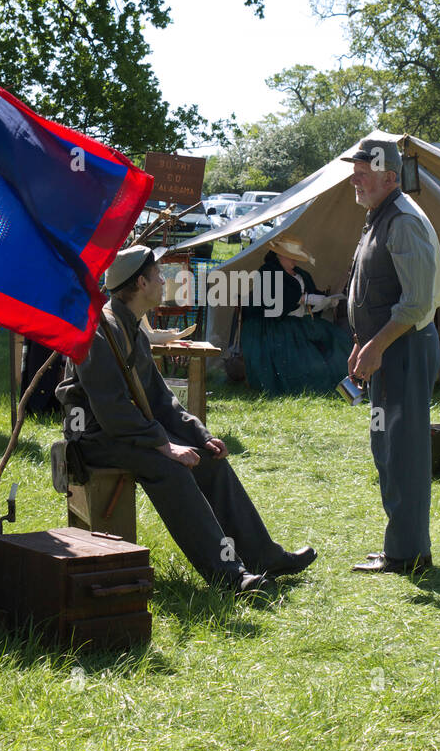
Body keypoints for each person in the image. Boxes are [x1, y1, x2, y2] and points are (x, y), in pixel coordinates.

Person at [56, 245, 316, 595]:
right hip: (92, 440)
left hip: (121, 431)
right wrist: (166, 446)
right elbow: (112, 411)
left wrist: (198, 435)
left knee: (208, 460)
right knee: (172, 469)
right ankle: (230, 576)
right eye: (158, 275)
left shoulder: (130, 327)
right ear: (141, 283)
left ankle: (262, 555)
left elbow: (160, 400)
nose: (164, 281)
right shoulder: (101, 330)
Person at [345, 138, 440, 574]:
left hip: (403, 349)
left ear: (390, 177)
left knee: (402, 451)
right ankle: (401, 546)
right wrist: (362, 340)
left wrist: (376, 344)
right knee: (386, 444)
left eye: (364, 172)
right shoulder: (380, 215)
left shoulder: (403, 220)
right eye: (355, 170)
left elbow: (413, 303)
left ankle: (408, 554)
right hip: (389, 348)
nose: (356, 178)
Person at [239, 236, 351, 395]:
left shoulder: (302, 274)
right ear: (279, 255)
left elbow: (311, 293)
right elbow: (272, 299)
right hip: (276, 325)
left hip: (301, 322)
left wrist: (325, 301)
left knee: (337, 340)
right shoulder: (267, 271)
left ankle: (350, 382)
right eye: (291, 257)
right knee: (304, 360)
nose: (294, 261)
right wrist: (303, 299)